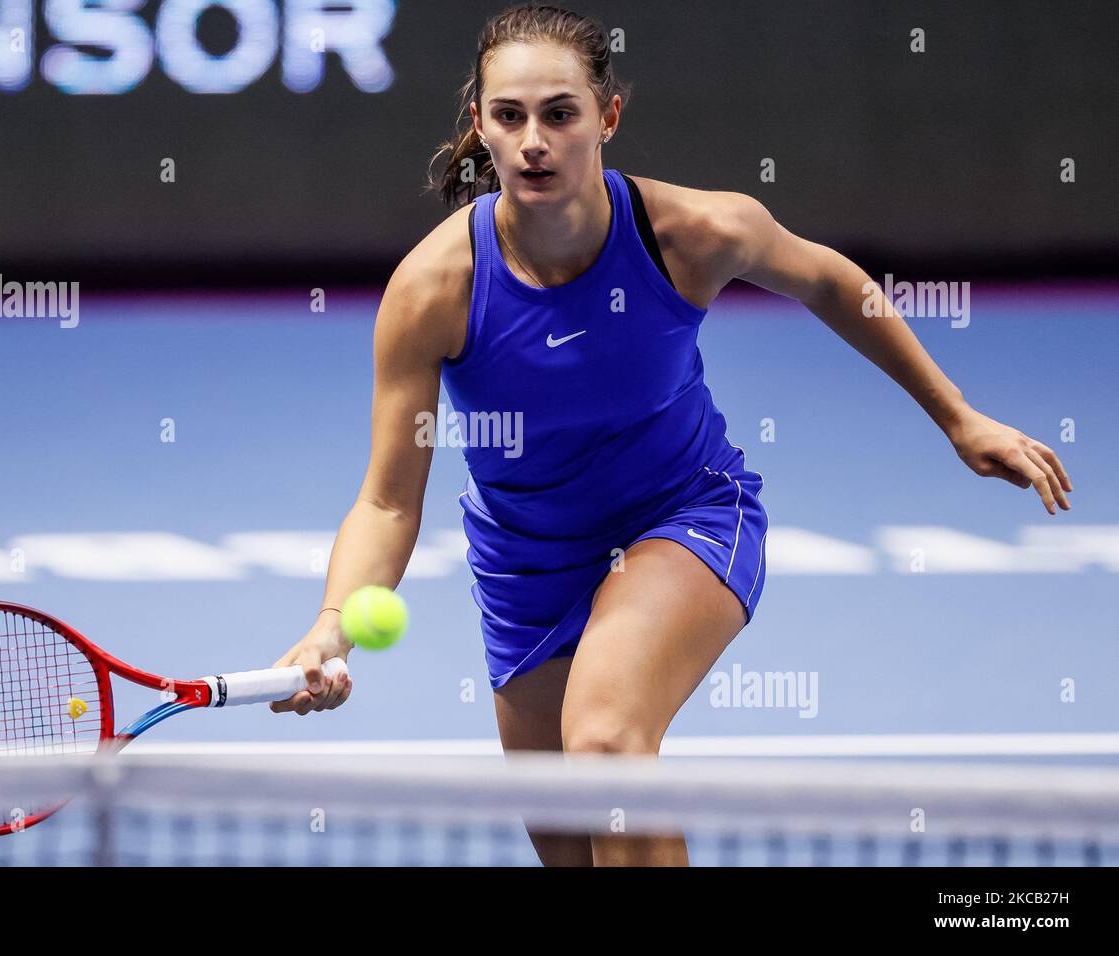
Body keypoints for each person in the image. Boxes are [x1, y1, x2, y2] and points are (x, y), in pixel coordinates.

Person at [268, 3, 1073, 866]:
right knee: (576, 839)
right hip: (527, 569)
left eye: (560, 113)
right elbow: (389, 501)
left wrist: (958, 416)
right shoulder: (432, 289)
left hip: (683, 518)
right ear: (481, 125)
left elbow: (834, 284)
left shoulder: (694, 232)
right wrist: (329, 627)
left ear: (608, 116)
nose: (533, 140)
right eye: (509, 116)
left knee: (608, 746)